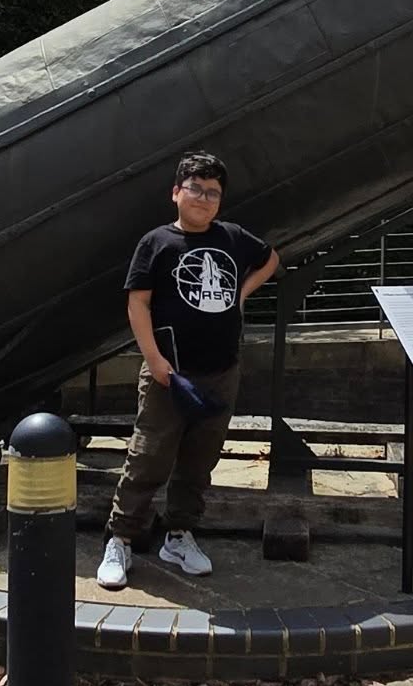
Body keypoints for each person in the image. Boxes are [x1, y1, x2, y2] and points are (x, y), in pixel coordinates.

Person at [97, 151, 279, 589]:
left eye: (213, 192)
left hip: (221, 370)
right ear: (176, 192)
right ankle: (120, 536)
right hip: (169, 373)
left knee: (200, 461)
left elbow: (270, 258)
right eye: (195, 188)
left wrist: (241, 293)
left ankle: (179, 534)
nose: (204, 198)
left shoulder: (232, 237)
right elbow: (136, 304)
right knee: (149, 455)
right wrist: (155, 360)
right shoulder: (157, 242)